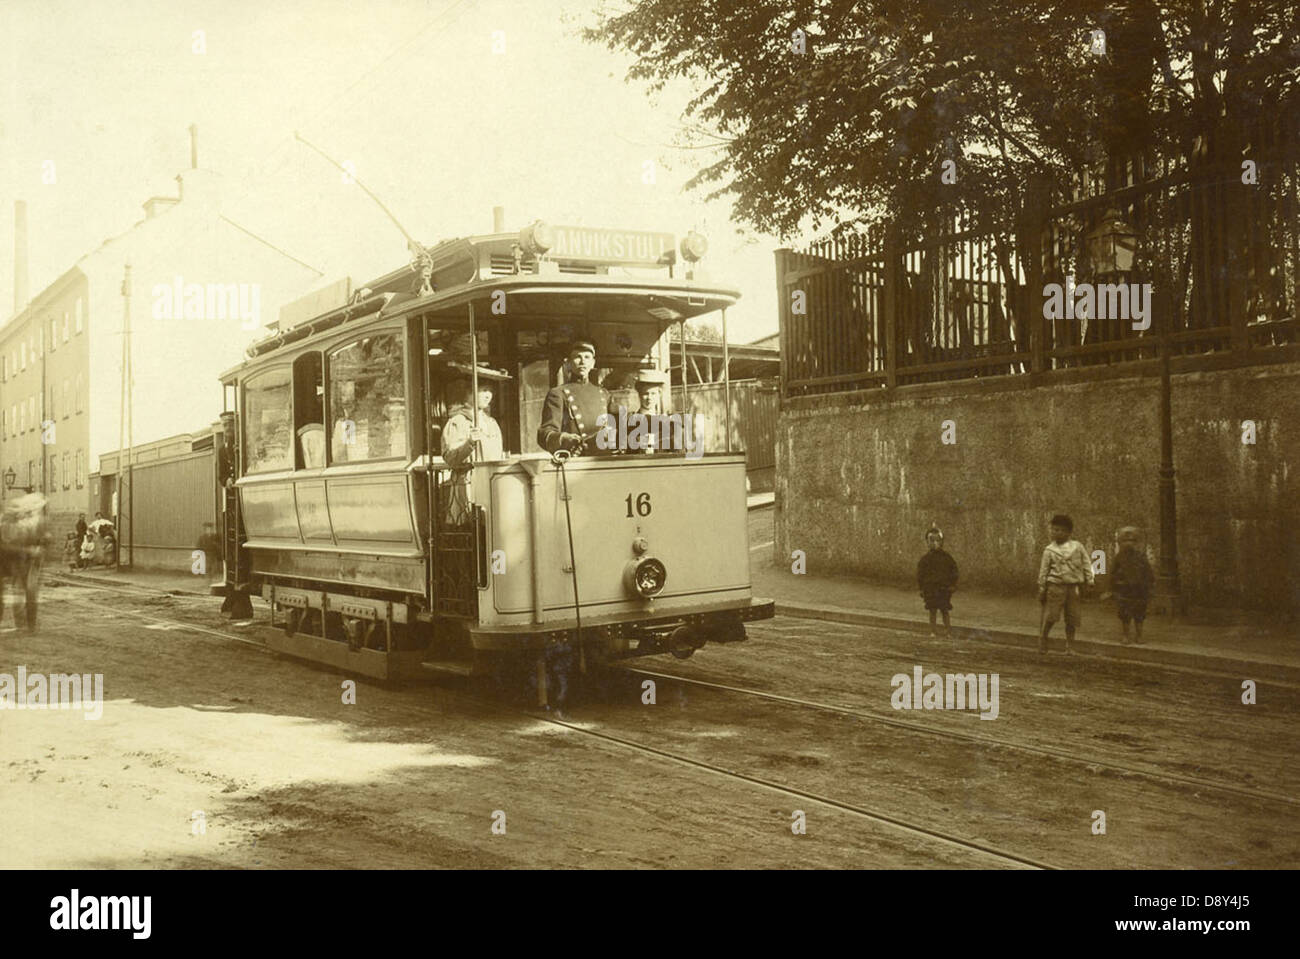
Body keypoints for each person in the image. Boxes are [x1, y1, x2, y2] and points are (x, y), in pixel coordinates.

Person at [441, 370, 508, 524]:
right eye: (483, 390)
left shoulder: (492, 423)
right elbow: (450, 458)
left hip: (491, 485)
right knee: (473, 530)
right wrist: (469, 443)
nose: (488, 395)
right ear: (470, 393)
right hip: (468, 487)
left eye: (490, 391)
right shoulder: (458, 422)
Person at [537, 340, 612, 455]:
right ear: (569, 363)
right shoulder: (558, 393)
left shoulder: (604, 394)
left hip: (602, 460)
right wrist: (564, 438)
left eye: (587, 357)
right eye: (577, 357)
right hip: (574, 460)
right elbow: (544, 434)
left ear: (593, 363)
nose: (582, 362)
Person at [1037, 513, 1095, 654]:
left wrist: (1090, 579)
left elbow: (1087, 563)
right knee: (1051, 616)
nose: (1058, 533)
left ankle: (1070, 646)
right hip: (1055, 586)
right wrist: (1042, 587)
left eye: (1062, 530)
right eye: (1055, 529)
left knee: (1072, 618)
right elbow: (1044, 571)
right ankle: (1043, 639)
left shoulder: (1077, 547)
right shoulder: (1049, 550)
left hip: (1073, 587)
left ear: (1069, 532)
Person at [1111, 525, 1154, 645]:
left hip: (1139, 592)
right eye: (1125, 541)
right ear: (1120, 543)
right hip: (1124, 591)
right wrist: (1114, 588)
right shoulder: (1119, 558)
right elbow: (1113, 574)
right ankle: (1125, 635)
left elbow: (1148, 573)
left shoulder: (1141, 557)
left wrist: (1149, 588)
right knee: (1125, 615)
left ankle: (1139, 635)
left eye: (1132, 541)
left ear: (1137, 543)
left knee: (1139, 615)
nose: (1129, 543)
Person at [917, 525, 958, 637]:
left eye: (937, 540)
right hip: (930, 588)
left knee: (944, 609)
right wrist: (921, 588)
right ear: (927, 542)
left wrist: (953, 585)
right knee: (932, 610)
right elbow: (920, 575)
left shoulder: (947, 558)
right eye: (931, 540)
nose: (935, 543)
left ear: (941, 542)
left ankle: (948, 630)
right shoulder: (925, 560)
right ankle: (933, 630)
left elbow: (954, 571)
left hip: (944, 588)